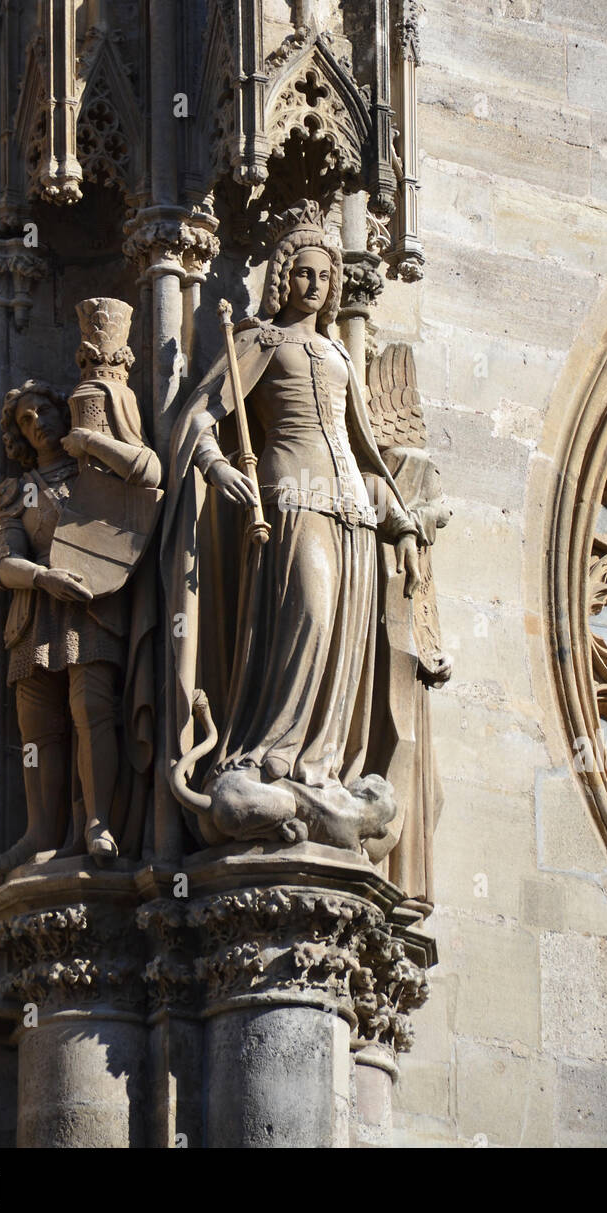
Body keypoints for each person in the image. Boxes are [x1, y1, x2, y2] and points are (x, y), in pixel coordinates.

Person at [161, 201, 420, 852]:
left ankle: (319, 764)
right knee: (304, 609)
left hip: (350, 509)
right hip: (288, 491)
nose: (315, 286)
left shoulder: (336, 352)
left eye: (325, 276)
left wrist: (404, 520)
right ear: (282, 277)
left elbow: (363, 447)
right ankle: (264, 752)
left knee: (339, 634)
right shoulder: (257, 341)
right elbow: (199, 417)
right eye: (303, 274)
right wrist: (217, 467)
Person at [0, 372, 159, 882]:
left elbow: (151, 477)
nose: (36, 424)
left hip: (93, 605)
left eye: (43, 411)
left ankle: (98, 820)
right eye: (25, 420)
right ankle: (39, 834)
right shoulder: (19, 492)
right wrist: (40, 576)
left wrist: (94, 441)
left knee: (92, 709)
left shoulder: (97, 476)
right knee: (38, 730)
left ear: (63, 411)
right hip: (35, 614)